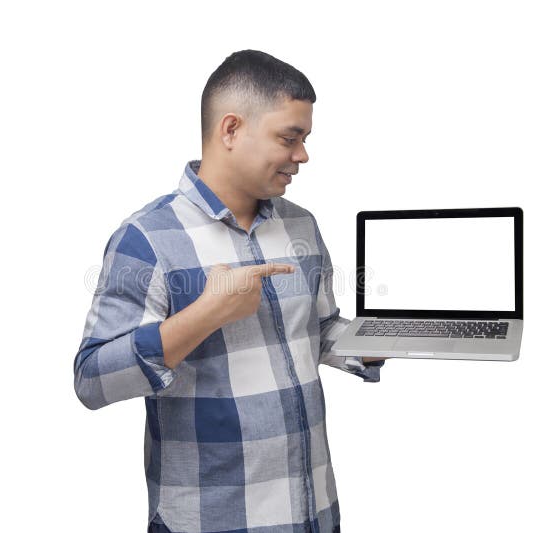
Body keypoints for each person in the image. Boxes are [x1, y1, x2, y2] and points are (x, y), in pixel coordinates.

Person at [74, 49, 385, 533]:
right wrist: (207, 314)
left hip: (315, 515)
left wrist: (379, 339)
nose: (303, 156)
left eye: (305, 140)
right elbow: (91, 380)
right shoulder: (147, 238)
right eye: (289, 138)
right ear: (231, 130)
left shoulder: (301, 225)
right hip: (213, 522)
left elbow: (319, 329)